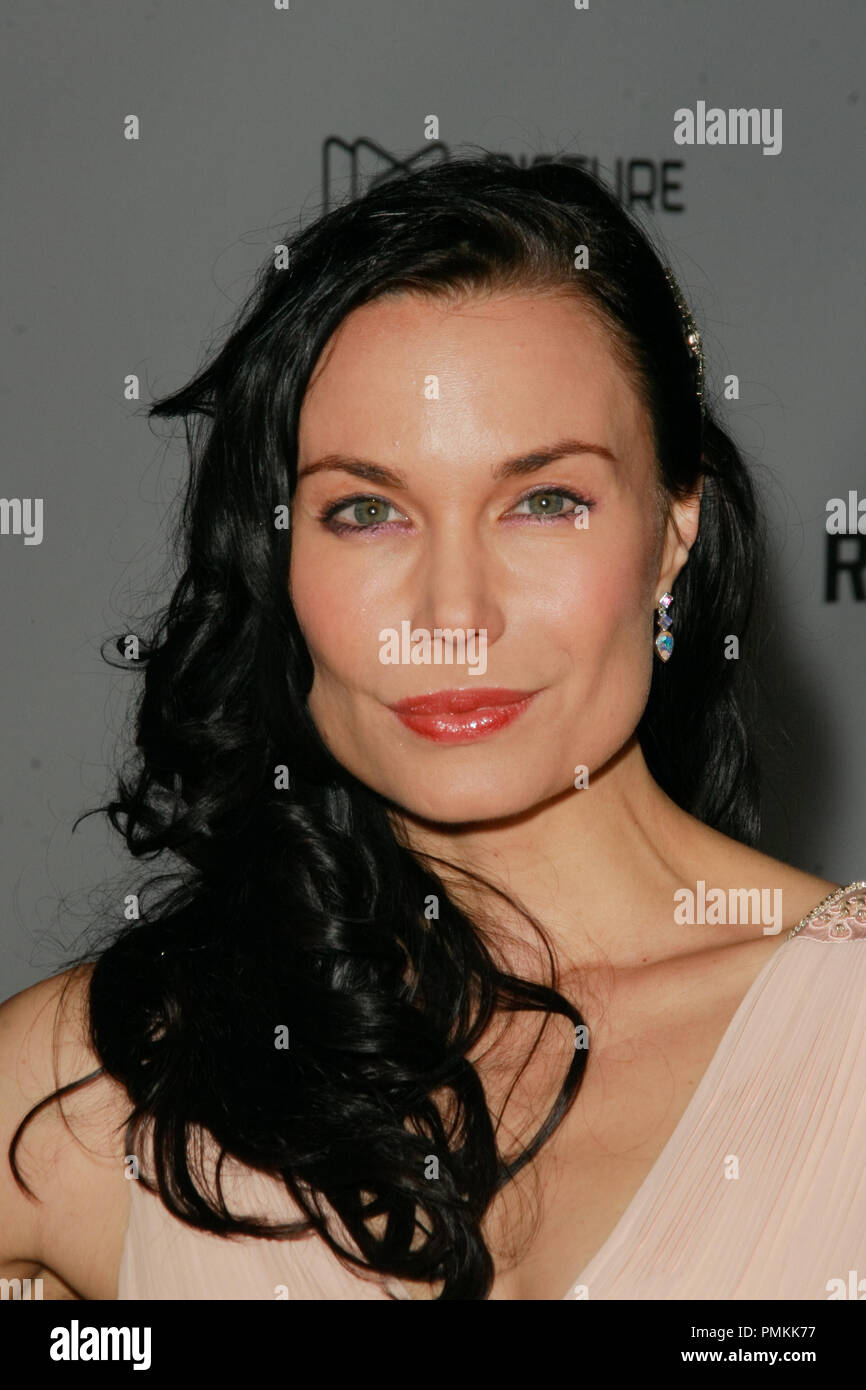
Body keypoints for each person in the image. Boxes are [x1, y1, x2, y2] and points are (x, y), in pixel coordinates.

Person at [1, 155, 863, 1302]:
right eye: (366, 511)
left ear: (672, 531)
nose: (452, 618)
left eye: (543, 501)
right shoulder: (89, 1089)